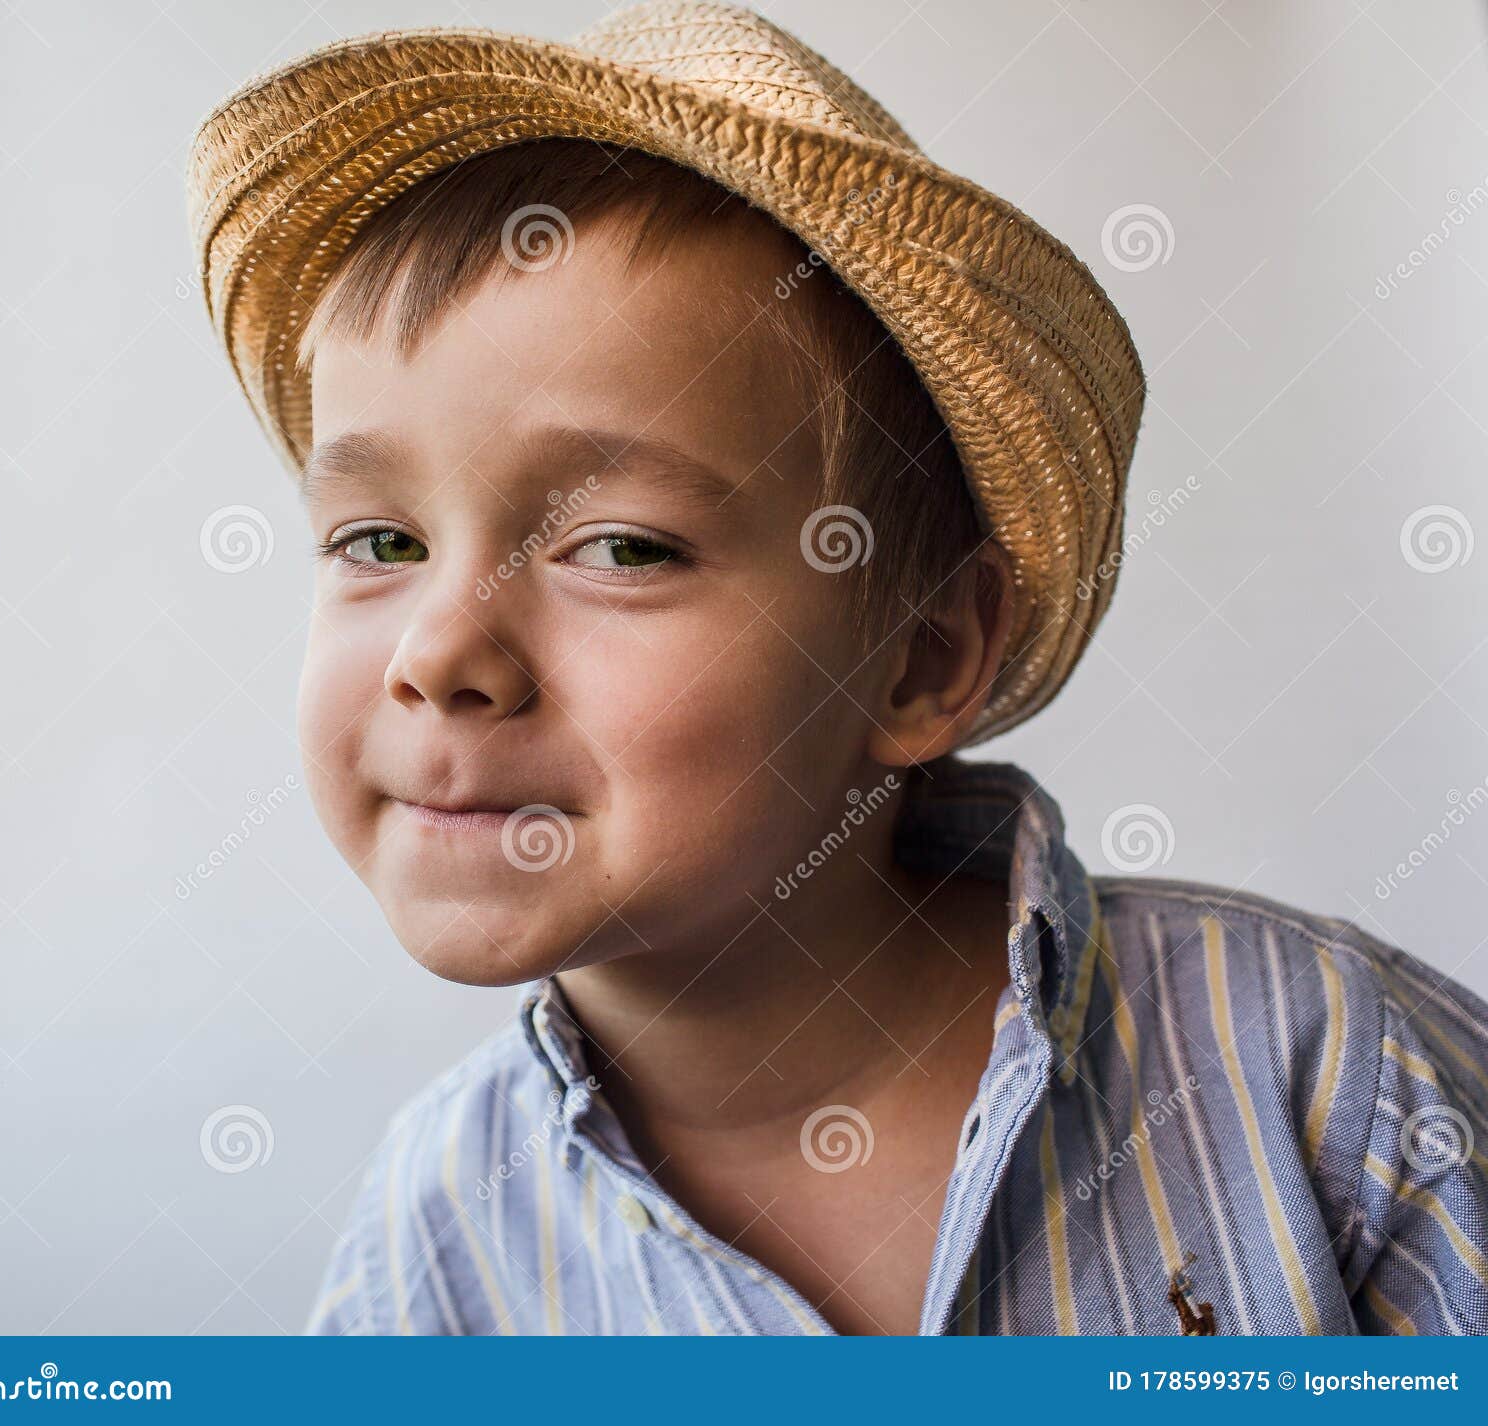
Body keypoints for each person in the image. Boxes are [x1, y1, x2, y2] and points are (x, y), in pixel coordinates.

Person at [184, 1, 1488, 1334]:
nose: (440, 651)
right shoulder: (442, 1249)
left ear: (922, 657)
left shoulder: (1317, 1074)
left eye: (623, 547)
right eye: (379, 538)